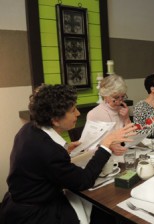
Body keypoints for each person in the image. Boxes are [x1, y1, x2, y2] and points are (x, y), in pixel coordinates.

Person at [0, 84, 136, 224]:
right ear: (55, 120)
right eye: (72, 110)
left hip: (16, 201)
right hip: (36, 214)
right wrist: (106, 145)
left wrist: (65, 149)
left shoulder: (29, 129)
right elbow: (83, 181)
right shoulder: (49, 150)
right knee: (105, 212)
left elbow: (40, 161)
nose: (77, 113)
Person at [87, 74, 131, 156]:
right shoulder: (94, 114)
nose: (119, 101)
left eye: (122, 96)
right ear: (105, 95)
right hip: (105, 157)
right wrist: (109, 147)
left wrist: (126, 118)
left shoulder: (122, 110)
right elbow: (89, 147)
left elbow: (132, 138)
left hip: (123, 152)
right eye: (116, 97)